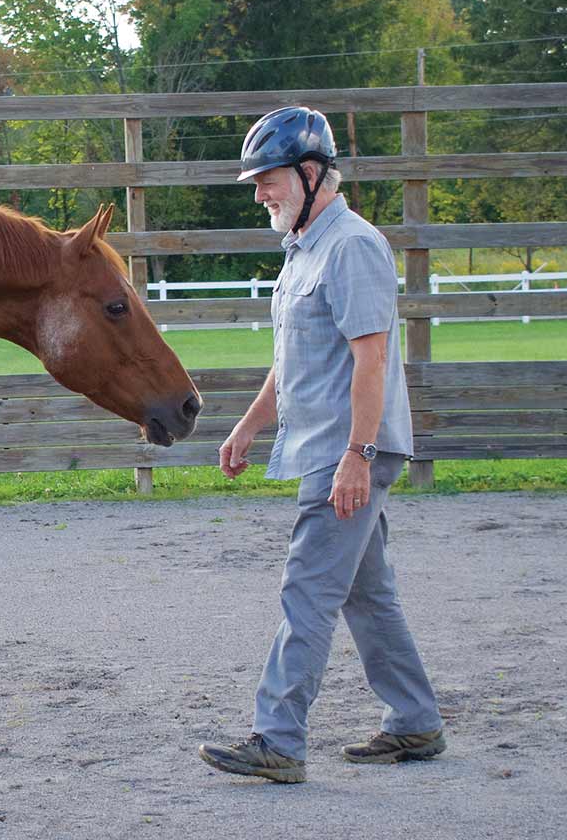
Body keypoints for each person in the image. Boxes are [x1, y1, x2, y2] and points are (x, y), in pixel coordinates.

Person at [197, 106, 445, 784]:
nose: (259, 194)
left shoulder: (352, 246)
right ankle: (416, 723)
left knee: (306, 590)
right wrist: (250, 423)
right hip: (327, 445)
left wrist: (358, 457)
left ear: (311, 173)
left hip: (348, 449)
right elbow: (296, 357)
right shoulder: (306, 249)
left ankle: (278, 740)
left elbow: (371, 359)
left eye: (268, 179)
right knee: (366, 593)